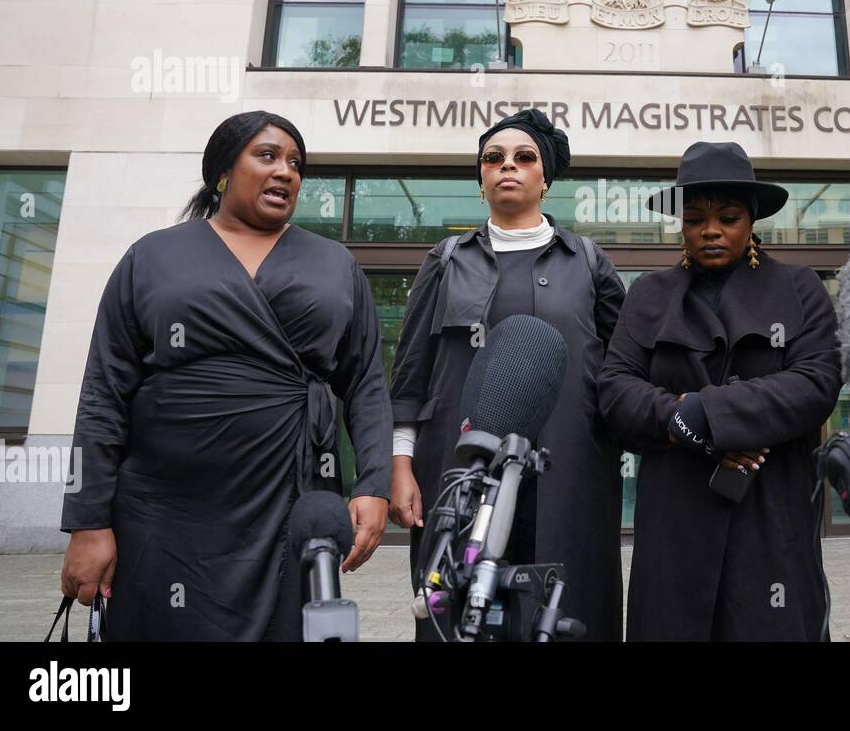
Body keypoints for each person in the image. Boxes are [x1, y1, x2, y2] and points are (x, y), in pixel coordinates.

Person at [59, 111, 392, 640]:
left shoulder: (334, 264)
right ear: (221, 173)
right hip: (161, 510)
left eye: (296, 164)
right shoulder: (153, 256)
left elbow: (367, 386)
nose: (285, 172)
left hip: (287, 500)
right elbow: (103, 394)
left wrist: (375, 484)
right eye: (267, 156)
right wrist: (88, 522)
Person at [389, 108, 626, 641]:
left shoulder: (588, 262)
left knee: (565, 608)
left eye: (524, 157)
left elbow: (623, 372)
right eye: (493, 159)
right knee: (458, 609)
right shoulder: (446, 259)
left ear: (546, 179)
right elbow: (410, 376)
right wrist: (400, 465)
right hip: (459, 467)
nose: (507, 167)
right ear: (481, 180)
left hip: (571, 472)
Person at [599, 141, 842, 641]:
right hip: (674, 516)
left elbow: (815, 384)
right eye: (694, 219)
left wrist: (705, 413)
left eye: (728, 217)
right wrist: (692, 427)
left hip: (769, 513)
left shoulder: (800, 288)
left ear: (751, 218)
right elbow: (616, 392)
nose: (710, 230)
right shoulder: (648, 293)